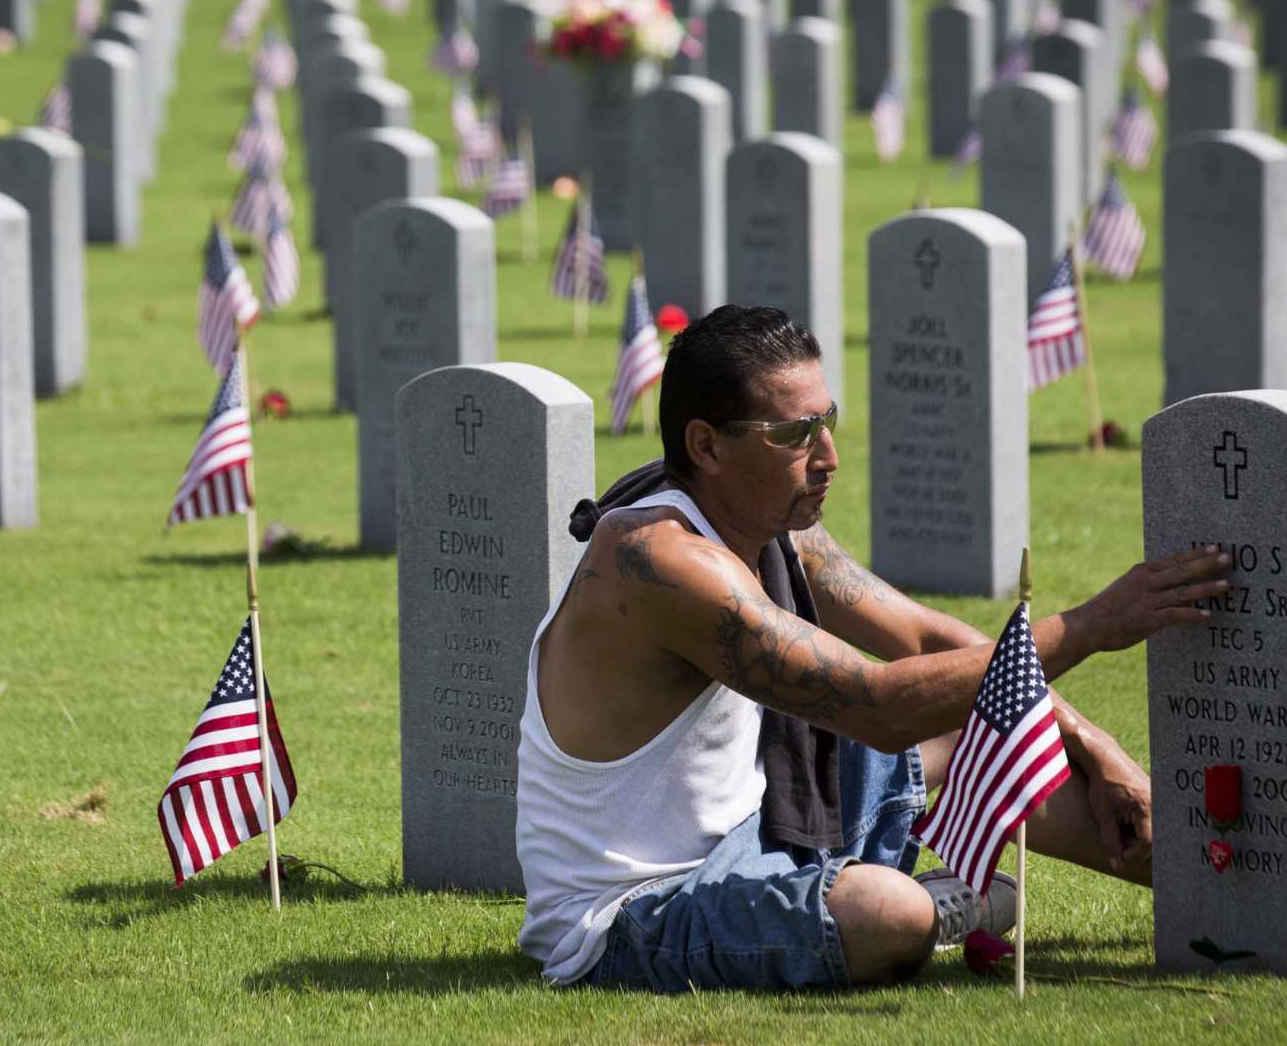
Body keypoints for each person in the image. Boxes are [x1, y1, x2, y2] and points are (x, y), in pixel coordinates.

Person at [517, 305, 1232, 991]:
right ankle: (933, 907)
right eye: (795, 433)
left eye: (825, 421)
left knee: (982, 718)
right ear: (706, 445)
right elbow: (879, 707)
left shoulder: (768, 523)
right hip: (637, 912)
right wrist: (1093, 625)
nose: (828, 456)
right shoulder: (659, 560)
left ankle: (1227, 892)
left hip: (754, 826)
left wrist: (1095, 746)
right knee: (891, 913)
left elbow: (925, 638)